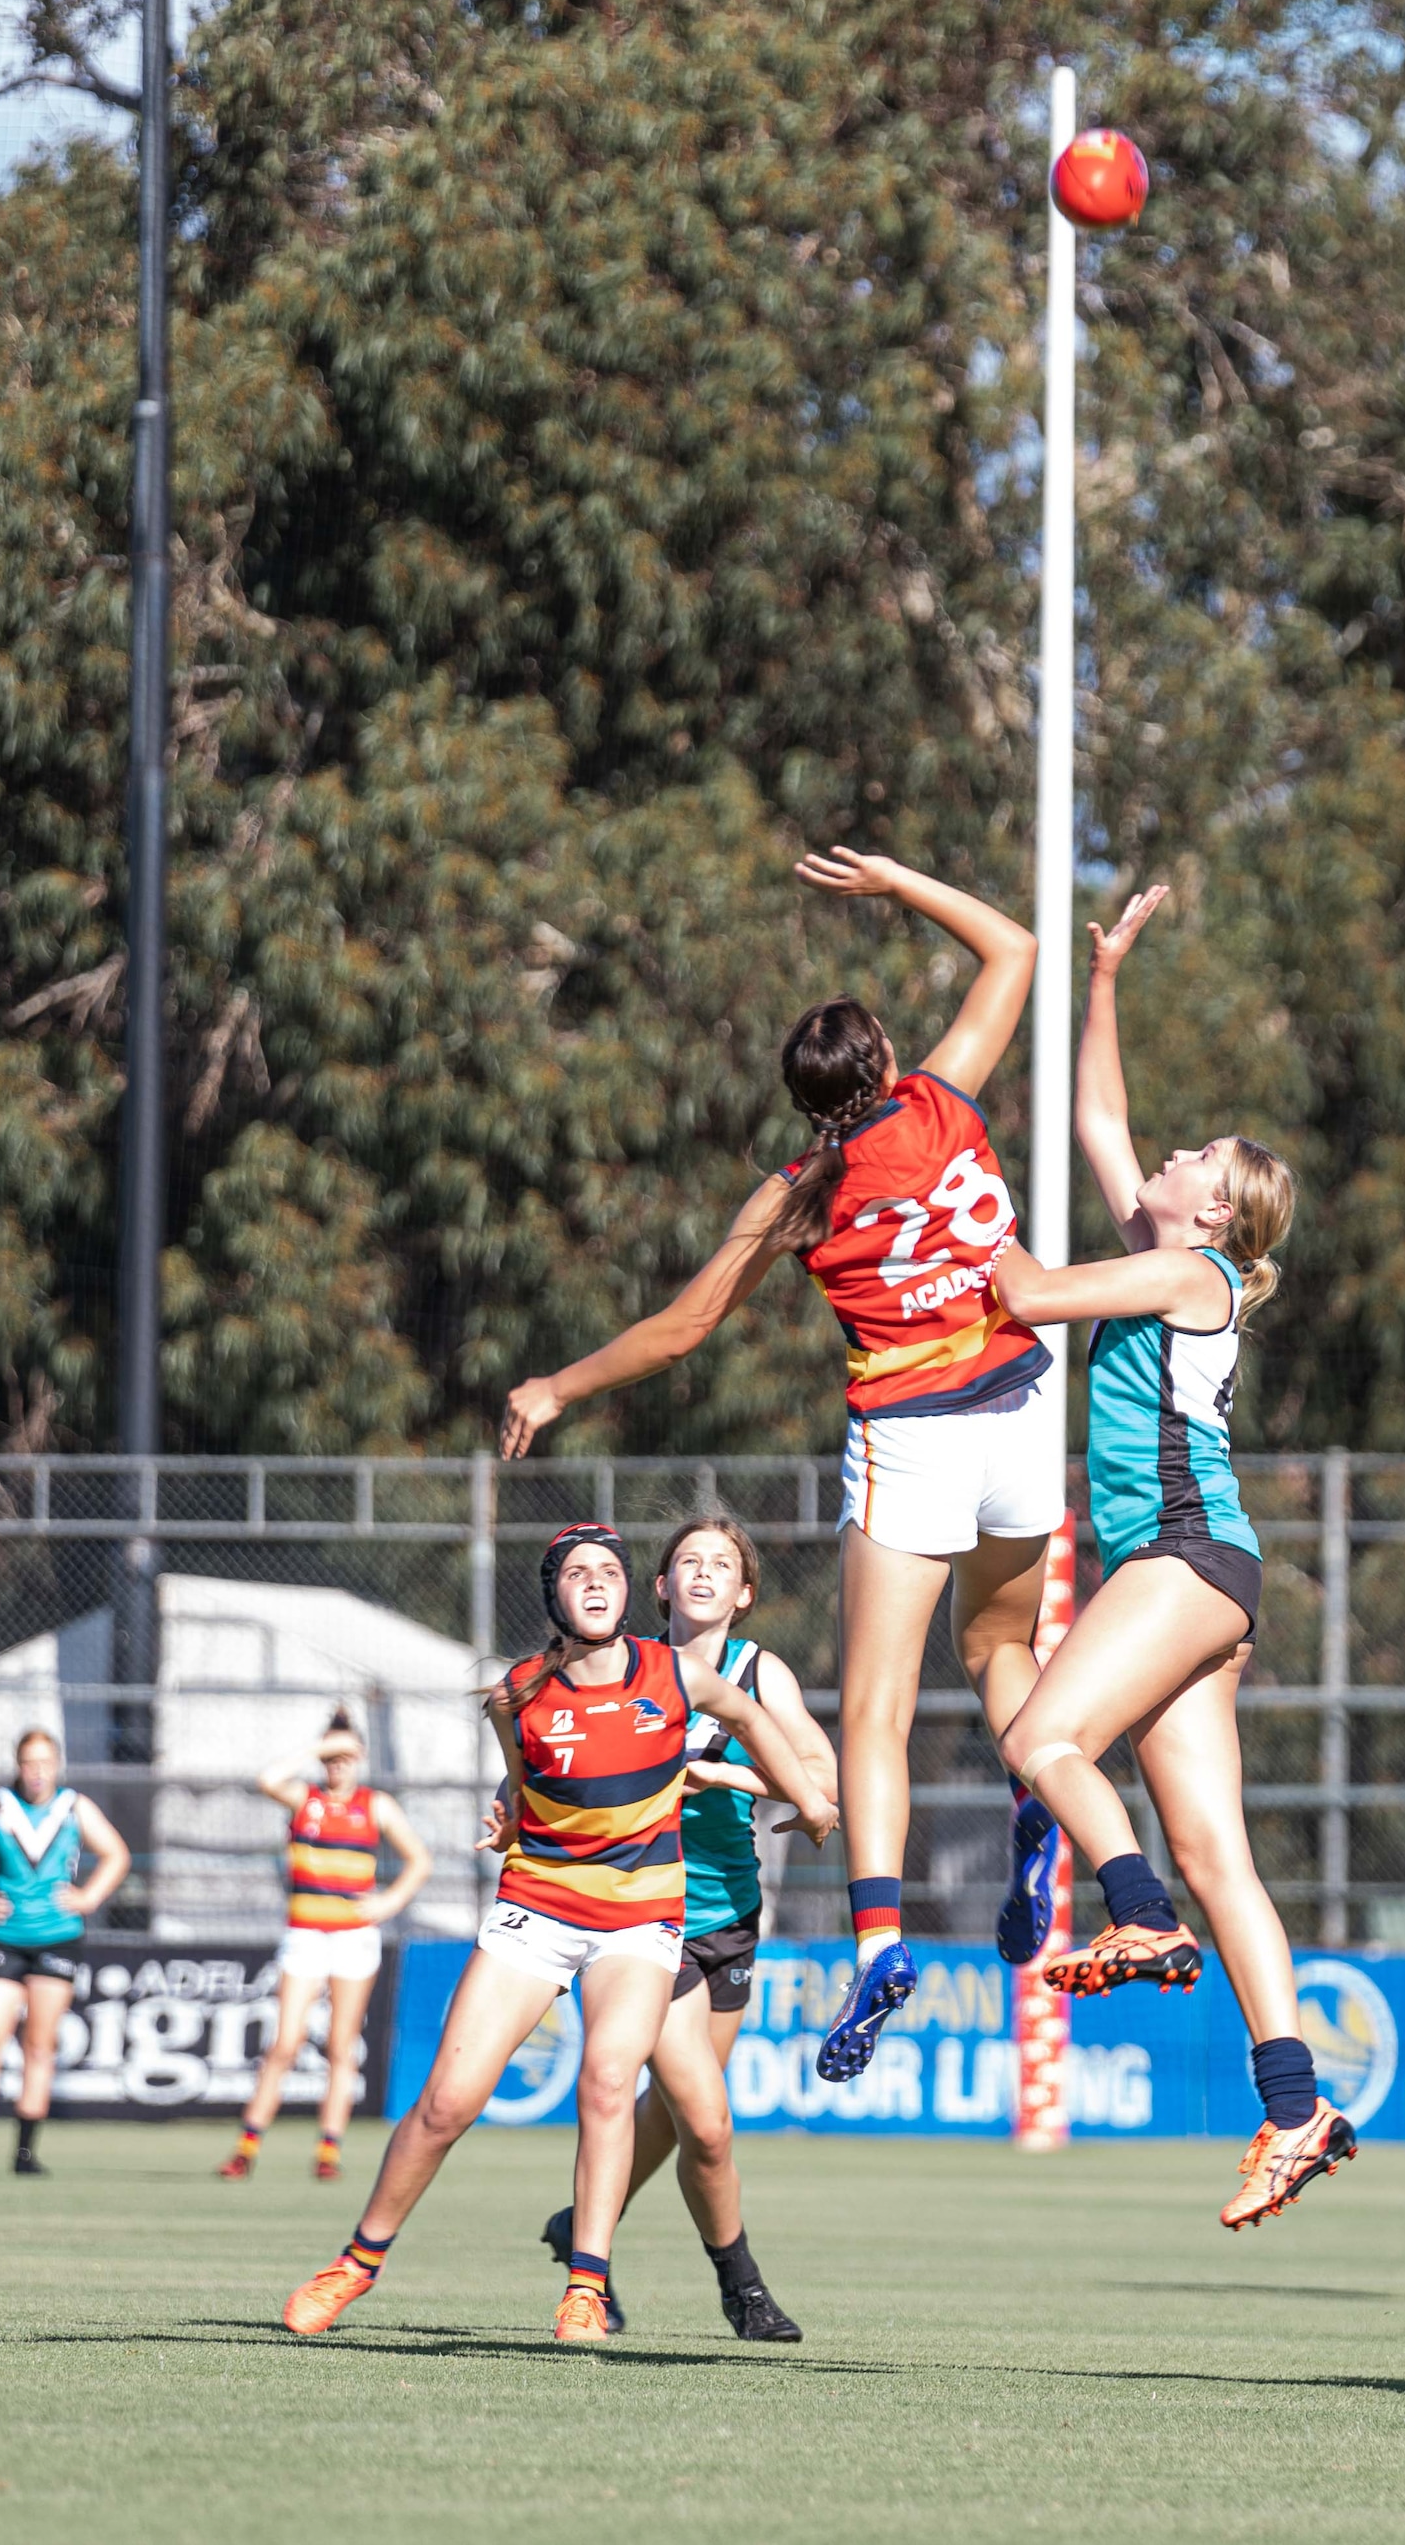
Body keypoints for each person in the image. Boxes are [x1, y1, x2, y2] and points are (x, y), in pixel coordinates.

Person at [499, 849, 1044, 2081]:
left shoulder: (800, 1190)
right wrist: (898, 881)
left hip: (911, 1430)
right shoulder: (941, 1103)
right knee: (1002, 1650)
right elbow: (1013, 947)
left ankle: (879, 1938)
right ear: (885, 1059)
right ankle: (1046, 1790)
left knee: (878, 1709)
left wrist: (558, 1384)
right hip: (1016, 1409)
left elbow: (682, 1326)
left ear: (805, 1102)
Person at [989, 885, 1352, 2231]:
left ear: (1218, 1211)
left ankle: (1131, 1906)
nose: (1174, 1150)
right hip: (1210, 1573)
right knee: (1219, 1849)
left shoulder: (1190, 1276)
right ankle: (1294, 2100)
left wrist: (940, 1193)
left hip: (1184, 1557)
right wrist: (1104, 978)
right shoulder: (1173, 1255)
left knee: (1041, 1737)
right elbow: (1099, 1122)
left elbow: (1027, 1292)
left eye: (1200, 1154)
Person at [280, 1523, 833, 2346]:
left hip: (642, 1913)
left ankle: (586, 2286)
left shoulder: (678, 1674)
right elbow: (524, 1776)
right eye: (578, 1572)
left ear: (628, 1588)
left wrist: (812, 1803)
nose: (596, 1580)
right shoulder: (517, 1691)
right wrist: (510, 1814)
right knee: (447, 2101)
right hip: (538, 1905)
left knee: (610, 2083)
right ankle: (357, 2261)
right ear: (555, 1594)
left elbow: (754, 1721)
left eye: (609, 1568)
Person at [536, 1511, 816, 2341]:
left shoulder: (759, 1672)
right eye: (687, 1560)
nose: (702, 1572)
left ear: (745, 1592)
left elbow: (818, 1776)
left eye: (721, 1564)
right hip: (640, 1912)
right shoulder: (622, 1664)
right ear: (658, 1585)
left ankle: (581, 2228)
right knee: (706, 2120)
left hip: (731, 1911)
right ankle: (740, 2284)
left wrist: (720, 1772)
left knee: (677, 2111)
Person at [227, 1715, 429, 2182]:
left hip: (353, 1937)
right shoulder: (305, 1798)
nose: (337, 1765)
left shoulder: (375, 1805)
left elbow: (419, 1860)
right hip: (305, 1934)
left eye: (346, 1756)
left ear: (360, 1758)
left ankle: (328, 2151)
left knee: (341, 2044)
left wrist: (390, 1901)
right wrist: (314, 1750)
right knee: (285, 2043)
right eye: (330, 1757)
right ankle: (246, 2148)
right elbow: (266, 1780)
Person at [0, 1733, 129, 2176]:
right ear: (18, 1765)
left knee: (39, 2045)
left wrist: (89, 1897)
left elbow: (116, 1855)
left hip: (57, 1939)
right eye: (29, 1762)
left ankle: (24, 2154)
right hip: (6, 1938)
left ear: (57, 1764)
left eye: (45, 1762)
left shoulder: (74, 1807)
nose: (37, 1772)